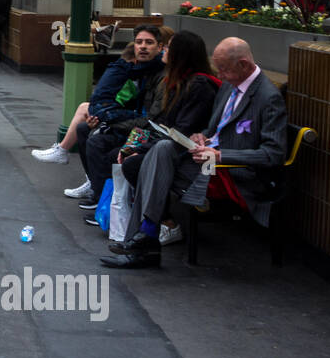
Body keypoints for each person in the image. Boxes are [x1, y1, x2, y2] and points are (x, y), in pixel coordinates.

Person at [102, 37, 287, 269]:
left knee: (150, 165)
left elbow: (273, 154)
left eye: (225, 70)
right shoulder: (231, 85)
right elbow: (214, 128)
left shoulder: (268, 98)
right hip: (207, 163)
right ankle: (146, 236)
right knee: (162, 149)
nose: (220, 75)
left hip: (234, 175)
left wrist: (220, 156)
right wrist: (202, 136)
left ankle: (145, 240)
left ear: (244, 65)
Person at [110, 31, 220, 247]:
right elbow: (160, 121)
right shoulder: (178, 81)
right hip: (170, 146)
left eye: (169, 47)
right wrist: (134, 145)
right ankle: (149, 229)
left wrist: (140, 149)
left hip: (188, 155)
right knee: (115, 152)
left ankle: (160, 226)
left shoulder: (199, 85)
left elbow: (181, 130)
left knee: (135, 164)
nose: (165, 51)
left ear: (180, 54)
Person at [77, 26, 167, 226]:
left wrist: (112, 121)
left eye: (149, 43)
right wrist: (105, 116)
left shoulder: (160, 74)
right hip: (135, 124)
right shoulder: (137, 69)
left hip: (149, 131)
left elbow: (152, 120)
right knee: (84, 129)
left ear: (160, 47)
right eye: (139, 42)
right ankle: (97, 191)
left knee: (100, 144)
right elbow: (120, 100)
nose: (143, 47)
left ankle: (106, 202)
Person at [34, 43, 136, 167]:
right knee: (84, 126)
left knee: (90, 131)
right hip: (129, 116)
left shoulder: (132, 73)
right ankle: (87, 175)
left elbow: (124, 100)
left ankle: (63, 151)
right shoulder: (133, 73)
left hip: (137, 122)